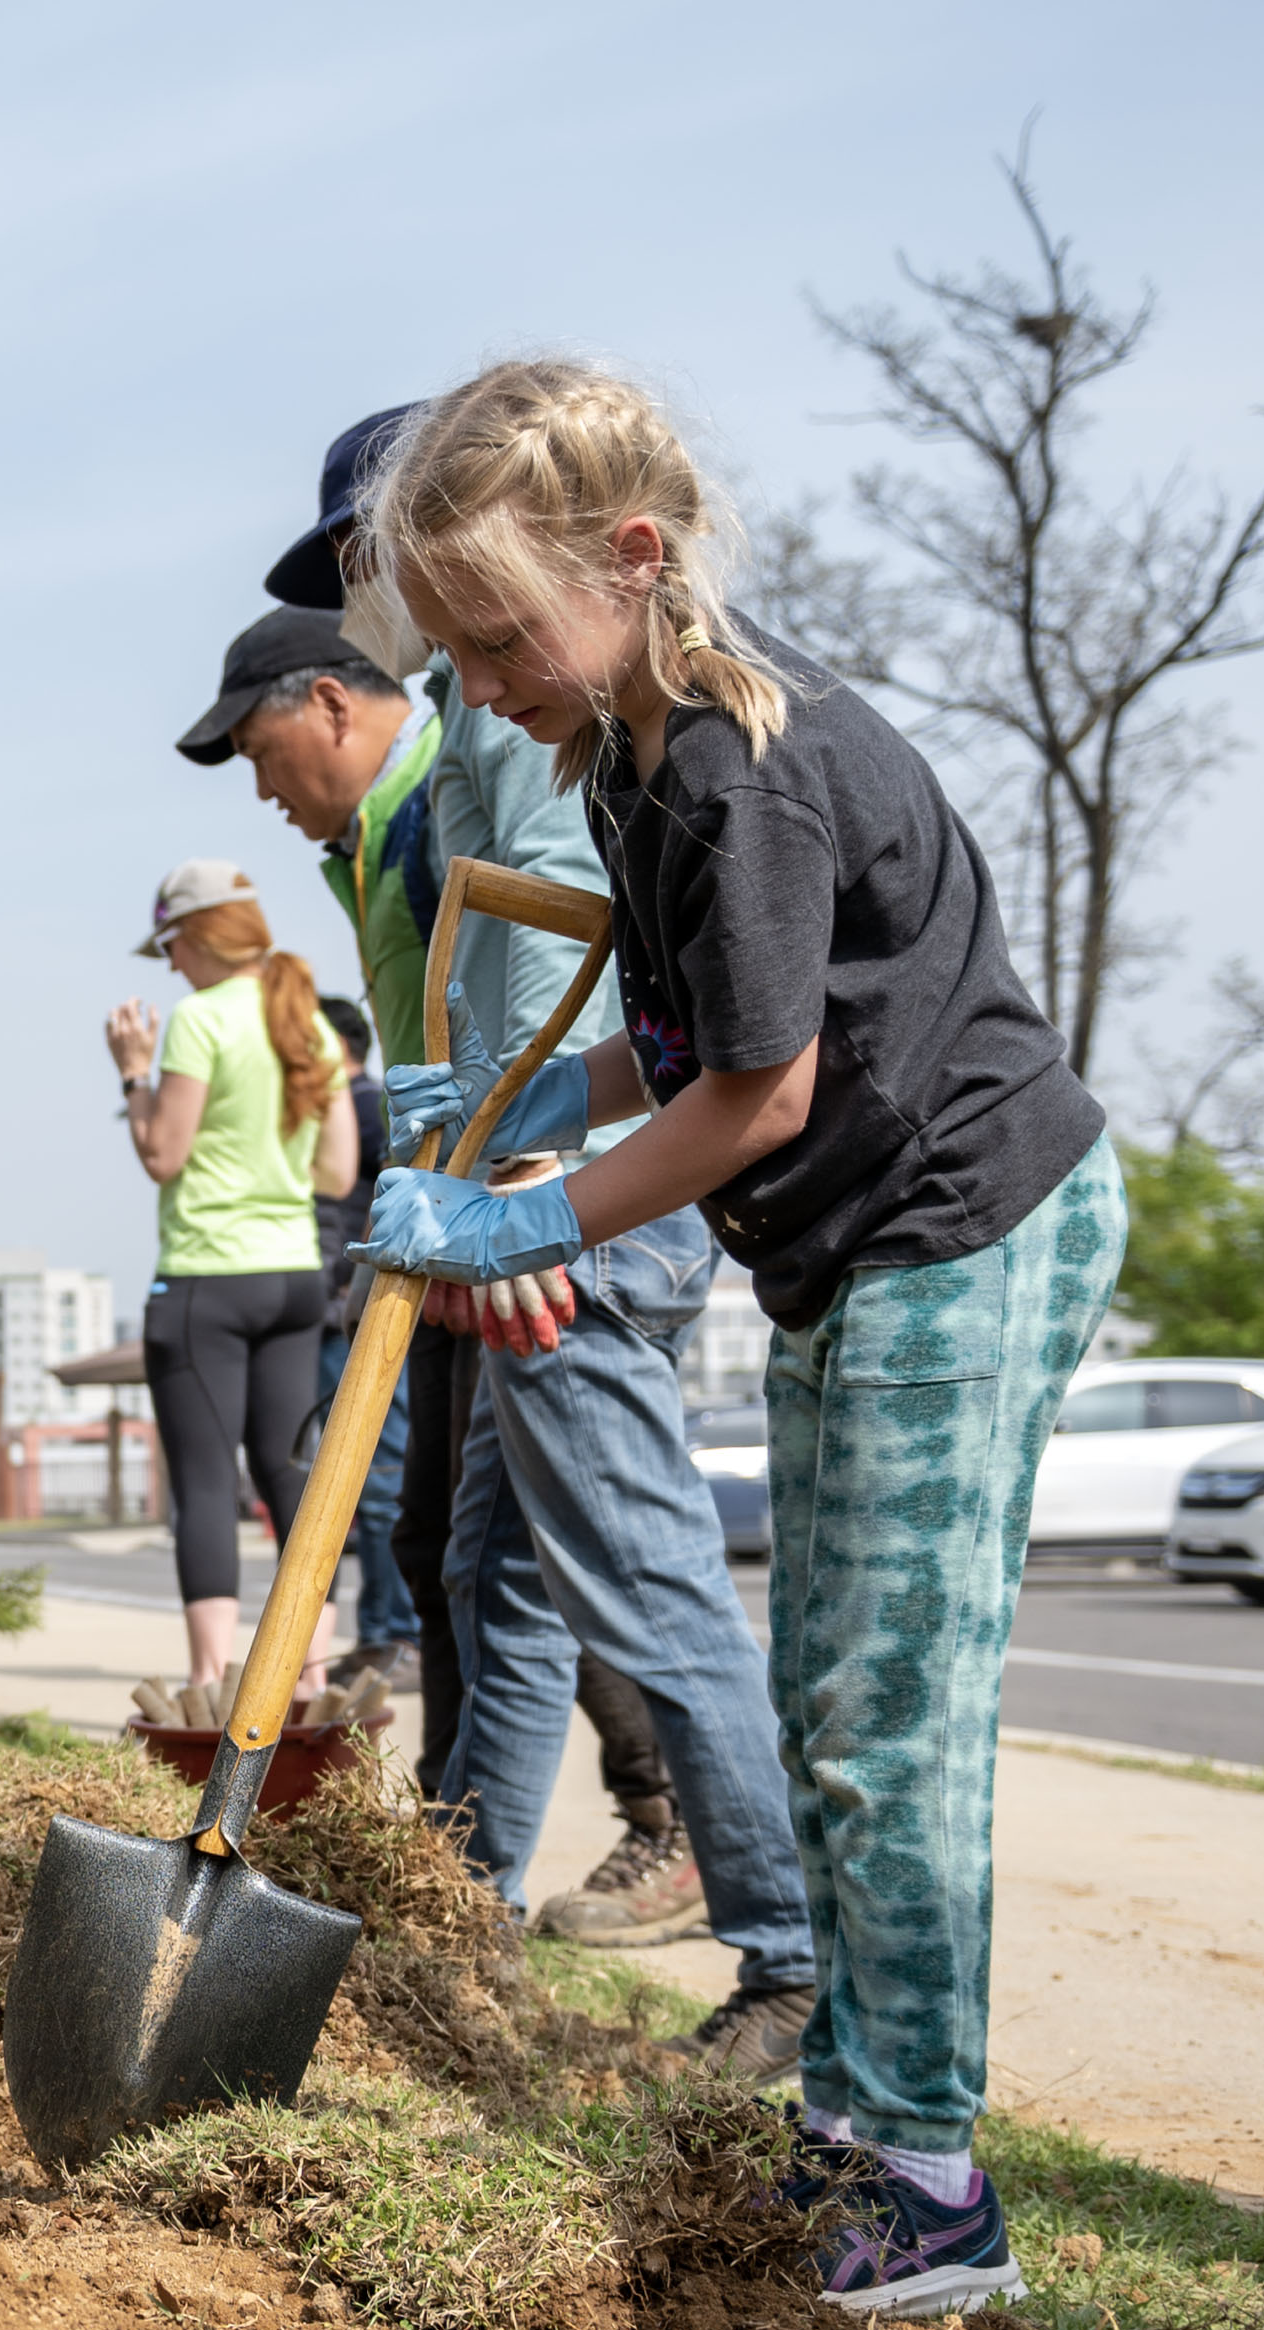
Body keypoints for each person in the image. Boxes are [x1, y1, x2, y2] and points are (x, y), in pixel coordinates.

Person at [357, 359, 1124, 2316]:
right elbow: (690, 1042)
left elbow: (761, 1096)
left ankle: (923, 2178)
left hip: (958, 1232)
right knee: (825, 1708)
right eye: (441, 649)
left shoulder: (725, 759)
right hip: (853, 1254)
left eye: (496, 633)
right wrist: (545, 1099)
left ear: (631, 557)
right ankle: (863, 2121)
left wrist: (523, 1214)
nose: (478, 682)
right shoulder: (622, 750)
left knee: (888, 1728)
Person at [185, 588, 755, 1984]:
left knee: (606, 1558)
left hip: (549, 1206)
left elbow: (549, 943)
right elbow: (455, 1017)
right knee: (473, 1551)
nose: (262, 791)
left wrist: (519, 1177)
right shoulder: (399, 809)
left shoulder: (472, 756)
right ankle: (458, 1897)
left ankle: (733, 1890)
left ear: (327, 702)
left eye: (262, 754)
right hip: (474, 1196)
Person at [102, 861, 344, 1699]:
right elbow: (341, 1170)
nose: (168, 966)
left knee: (206, 1482)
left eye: (170, 945)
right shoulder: (307, 1019)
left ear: (200, 936)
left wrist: (134, 1073)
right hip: (295, 1276)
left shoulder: (200, 1020)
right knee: (289, 1475)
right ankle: (309, 1674)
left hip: (207, 1275)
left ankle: (209, 1679)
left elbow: (163, 1154)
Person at [307, 995, 418, 1686]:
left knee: (380, 1475)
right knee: (349, 1482)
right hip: (330, 1315)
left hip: (366, 1314)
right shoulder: (326, 1111)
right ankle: (380, 1630)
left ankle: (393, 1633)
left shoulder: (372, 1106)